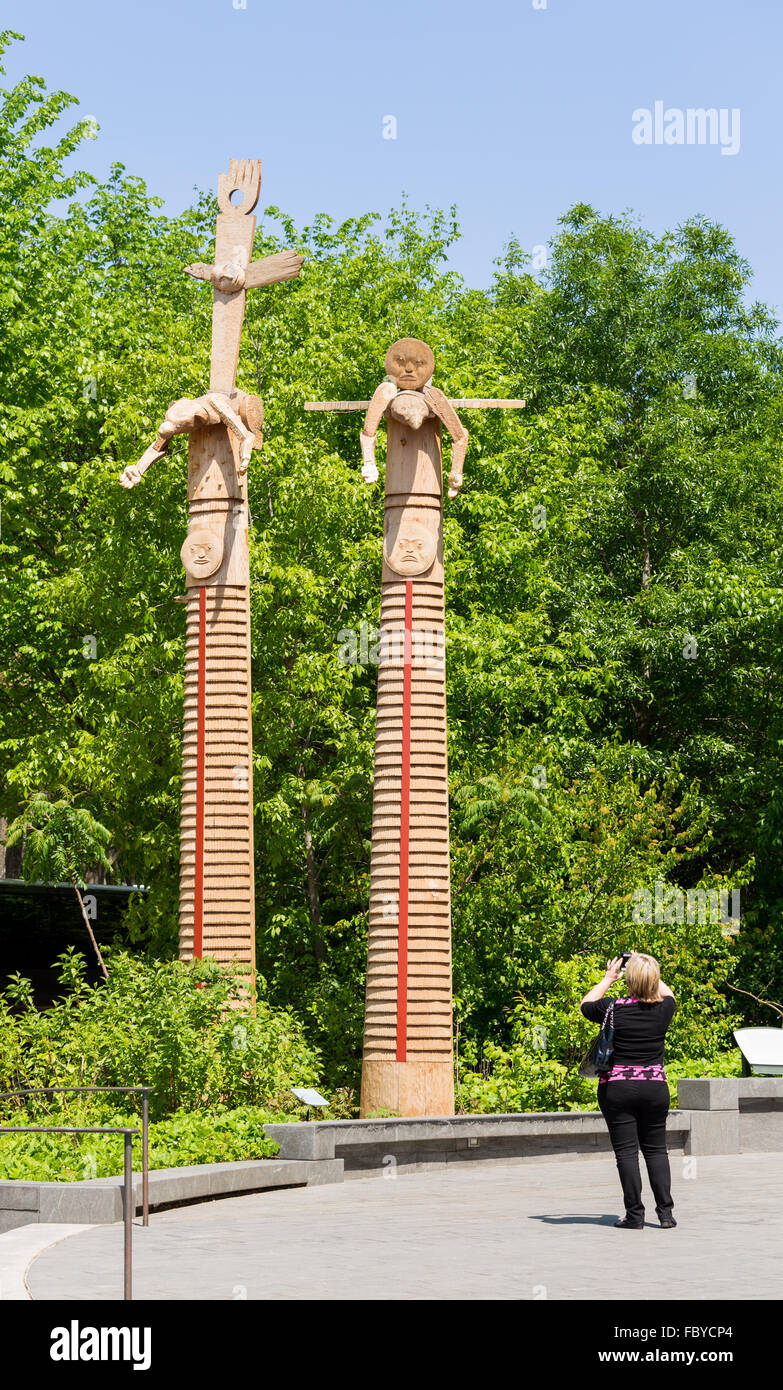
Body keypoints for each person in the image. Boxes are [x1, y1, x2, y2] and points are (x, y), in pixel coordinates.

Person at [580, 953, 677, 1229]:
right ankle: (666, 1214)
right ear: (654, 979)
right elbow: (667, 992)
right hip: (655, 1088)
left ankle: (635, 1215)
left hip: (618, 1089)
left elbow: (585, 1004)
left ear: (629, 981)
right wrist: (643, 964)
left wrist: (609, 978)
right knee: (657, 1151)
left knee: (626, 1153)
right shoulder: (665, 1008)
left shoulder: (613, 1007)